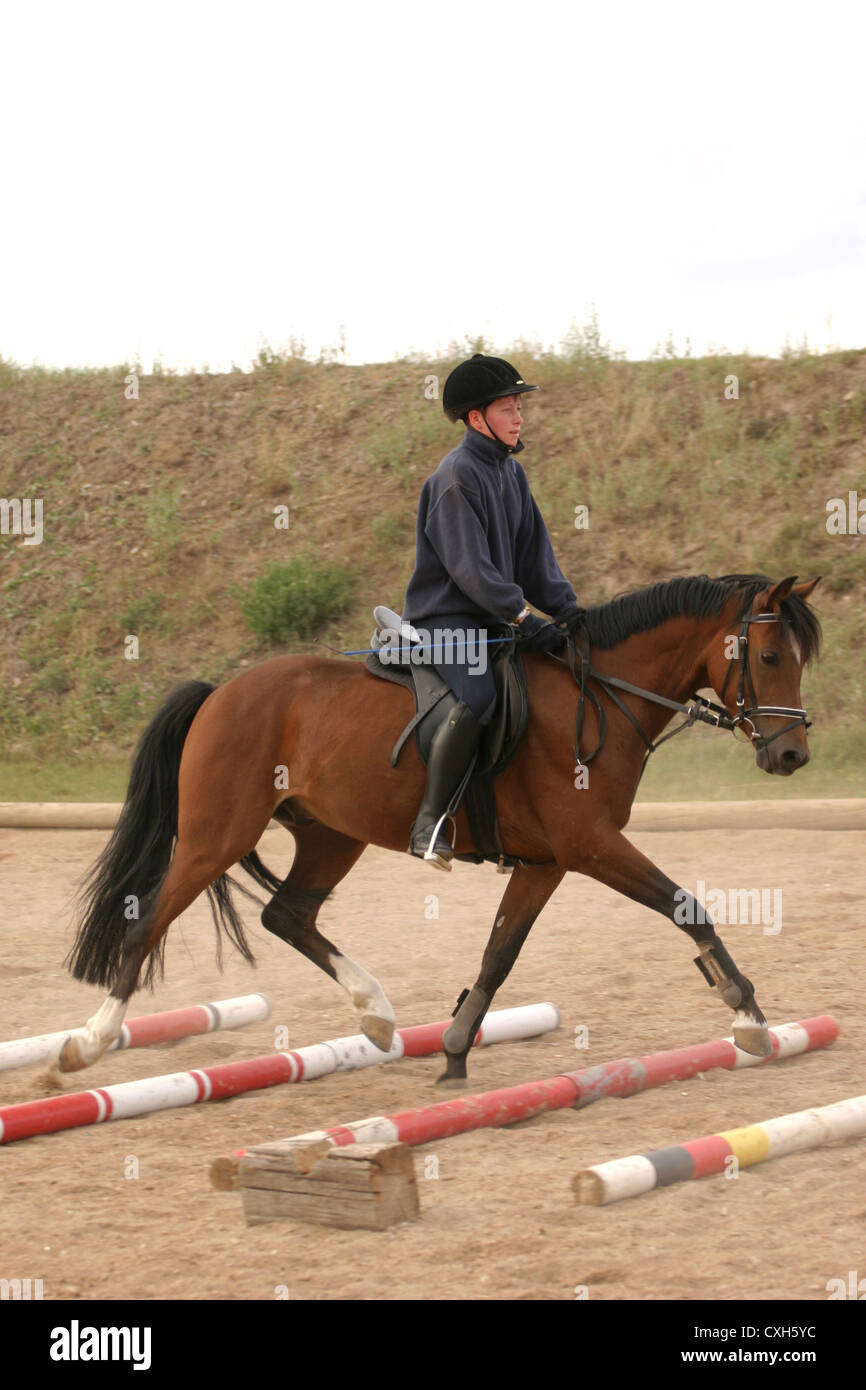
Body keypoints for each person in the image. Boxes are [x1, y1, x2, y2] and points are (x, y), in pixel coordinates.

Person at [401, 352, 584, 869]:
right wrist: (522, 618)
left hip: (491, 618)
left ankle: (511, 829)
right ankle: (429, 824)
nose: (519, 417)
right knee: (480, 694)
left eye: (519, 407)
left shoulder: (511, 474)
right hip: (444, 620)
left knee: (537, 691)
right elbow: (471, 570)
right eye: (508, 408)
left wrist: (569, 612)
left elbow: (534, 559)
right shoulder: (455, 477)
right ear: (477, 418)